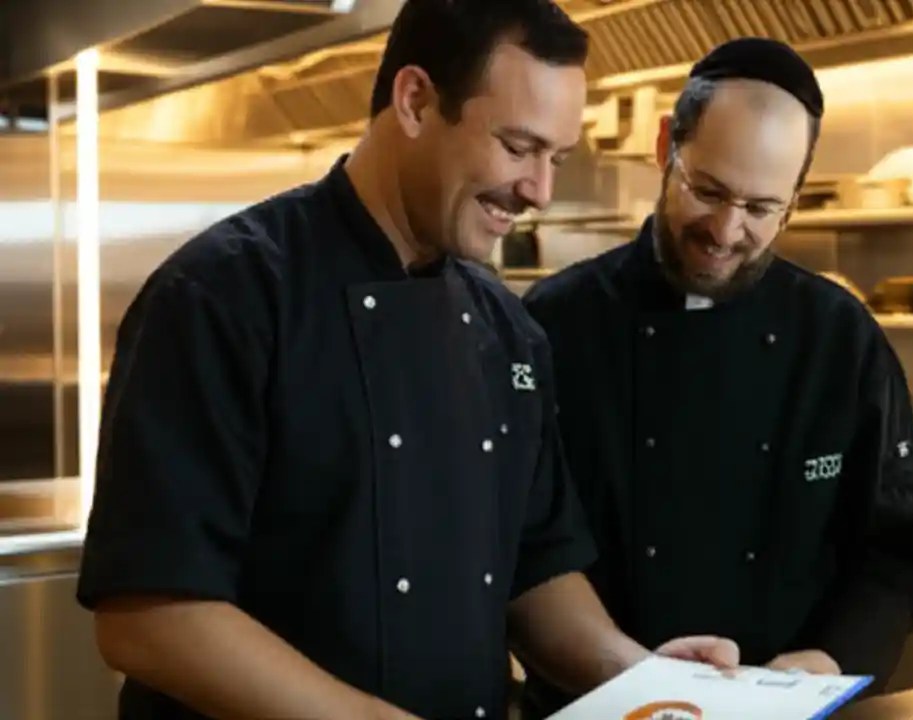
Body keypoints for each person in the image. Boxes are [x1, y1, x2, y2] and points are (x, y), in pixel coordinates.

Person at [75, 2, 738, 719]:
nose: (540, 191)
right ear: (416, 101)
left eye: (557, 158)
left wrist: (643, 677)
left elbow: (535, 564)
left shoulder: (507, 332)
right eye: (518, 147)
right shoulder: (225, 295)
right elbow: (149, 617)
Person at [519, 37, 913, 717]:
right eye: (709, 191)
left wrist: (826, 662)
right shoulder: (554, 324)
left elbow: (897, 553)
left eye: (760, 208)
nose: (724, 231)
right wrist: (635, 678)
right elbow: (524, 549)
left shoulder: (840, 339)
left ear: (795, 198)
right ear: (666, 146)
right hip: (596, 703)